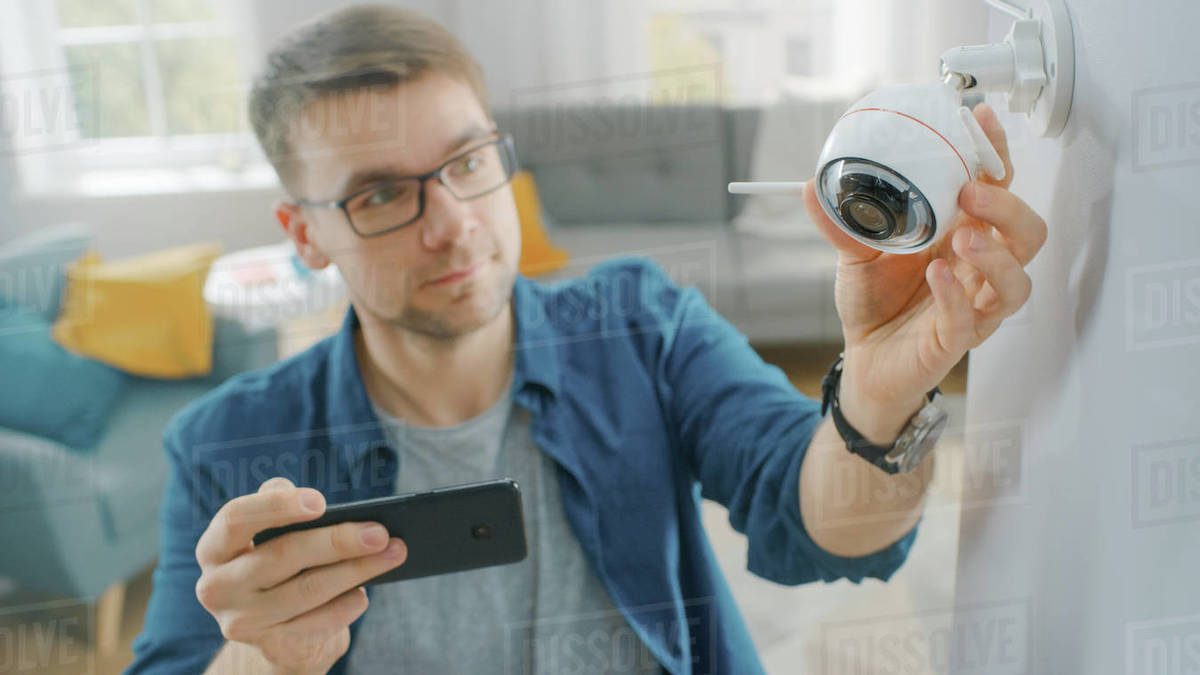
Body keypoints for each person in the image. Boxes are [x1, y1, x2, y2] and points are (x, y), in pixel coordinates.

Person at [127, 5, 1045, 674]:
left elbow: (827, 526)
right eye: (379, 194)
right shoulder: (224, 448)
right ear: (303, 235)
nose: (451, 223)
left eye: (466, 162)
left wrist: (878, 399)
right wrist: (266, 659)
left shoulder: (640, 323)